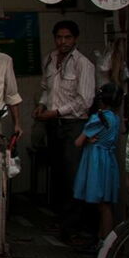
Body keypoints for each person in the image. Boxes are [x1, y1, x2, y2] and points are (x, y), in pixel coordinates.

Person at [33, 21, 96, 209]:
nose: (63, 41)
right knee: (57, 170)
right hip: (54, 125)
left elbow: (85, 101)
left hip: (74, 125)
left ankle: (75, 224)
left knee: (73, 173)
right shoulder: (50, 59)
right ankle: (61, 219)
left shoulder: (83, 64)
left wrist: (56, 112)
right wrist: (42, 105)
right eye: (59, 37)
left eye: (67, 37)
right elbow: (46, 88)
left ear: (75, 39)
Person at [72, 83, 123, 244]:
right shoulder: (115, 119)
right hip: (109, 161)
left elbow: (78, 142)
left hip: (96, 163)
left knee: (103, 206)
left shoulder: (98, 118)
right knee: (105, 204)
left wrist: (87, 139)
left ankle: (105, 243)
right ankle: (103, 241)